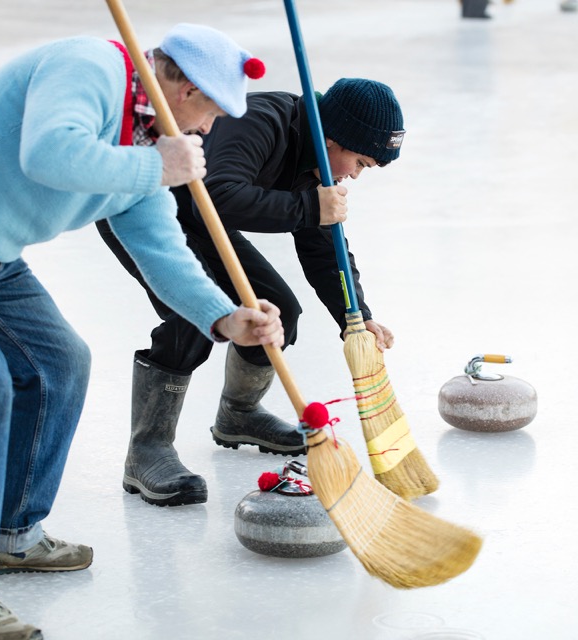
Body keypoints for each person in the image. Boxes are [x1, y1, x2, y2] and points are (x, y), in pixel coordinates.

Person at [0, 24, 281, 640]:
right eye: (210, 113)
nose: (208, 131)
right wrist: (152, 165)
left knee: (60, 363)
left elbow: (162, 247)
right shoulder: (91, 68)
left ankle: (12, 534)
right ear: (180, 85)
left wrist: (224, 316)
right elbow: (49, 152)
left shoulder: (150, 138)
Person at [98, 77, 405, 508]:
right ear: (332, 139)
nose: (354, 175)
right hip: (144, 209)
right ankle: (148, 448)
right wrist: (309, 207)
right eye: (359, 162)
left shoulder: (316, 162)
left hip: (203, 221)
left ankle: (238, 415)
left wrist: (355, 314)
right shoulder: (262, 121)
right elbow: (219, 193)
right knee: (192, 317)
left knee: (279, 312)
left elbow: (323, 248)